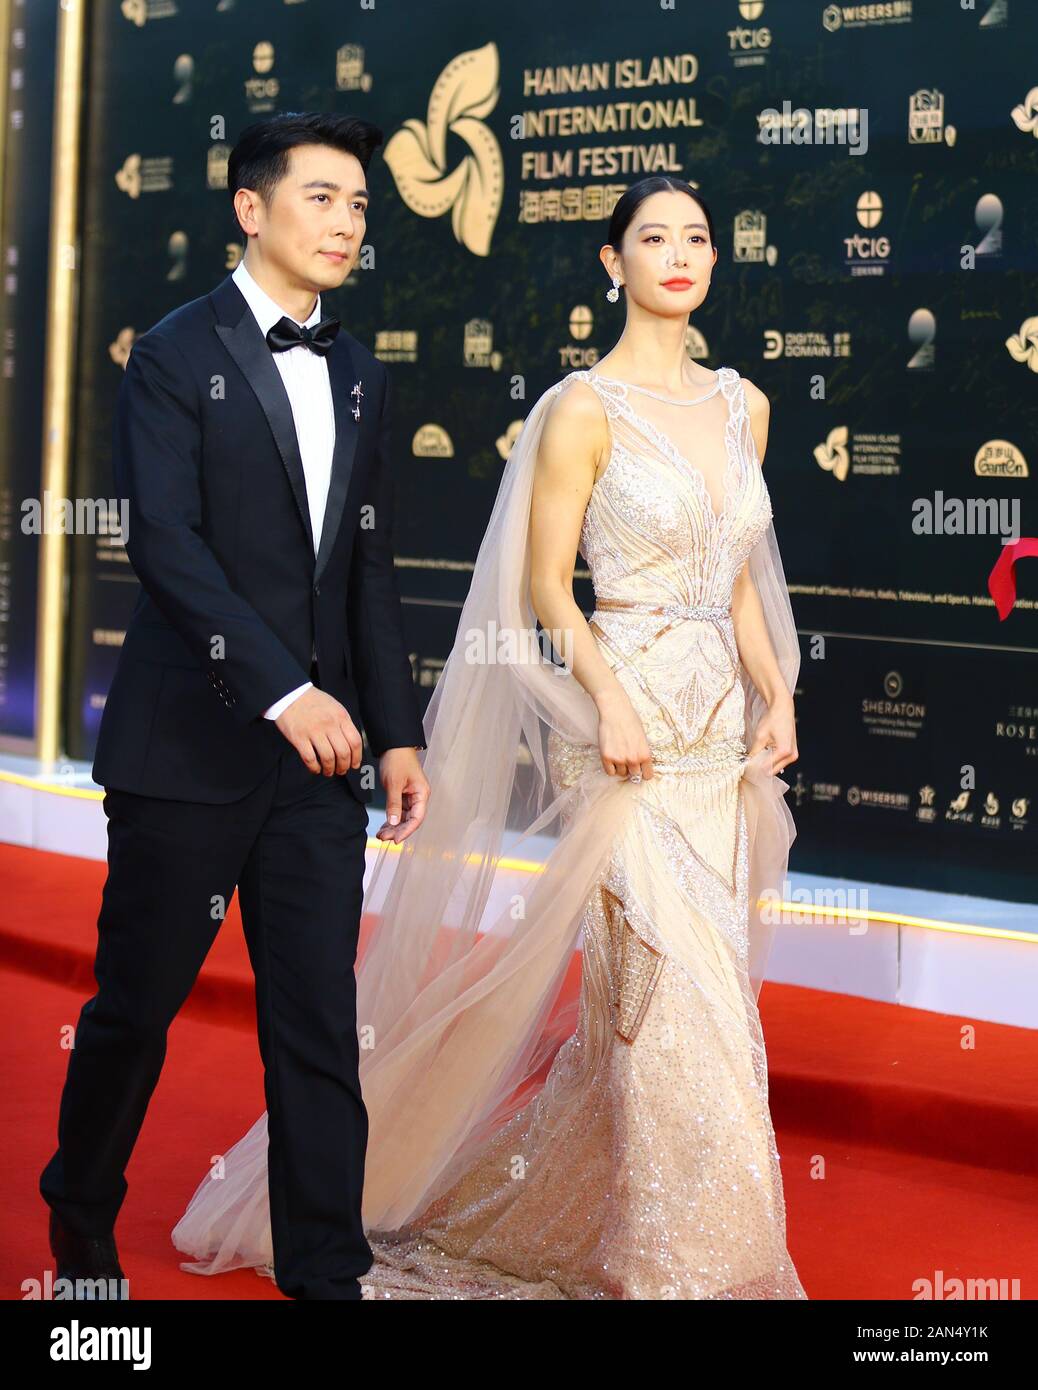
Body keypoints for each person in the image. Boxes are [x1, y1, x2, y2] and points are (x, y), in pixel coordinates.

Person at [173, 176, 807, 1299]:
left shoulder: (745, 407)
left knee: (691, 1007)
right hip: (623, 736)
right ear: (611, 264)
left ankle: (648, 1234)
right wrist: (605, 700)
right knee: (676, 1004)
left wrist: (780, 691)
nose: (679, 254)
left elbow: (744, 580)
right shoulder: (580, 408)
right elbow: (546, 589)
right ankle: (694, 1270)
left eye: (697, 238)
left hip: (719, 743)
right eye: (652, 238)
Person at [39, 111, 430, 1301]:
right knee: (135, 1009)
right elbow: (168, 546)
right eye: (323, 199)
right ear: (250, 209)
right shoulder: (168, 352)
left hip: (321, 767)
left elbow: (365, 566)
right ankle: (81, 1222)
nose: (348, 224)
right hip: (189, 748)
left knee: (316, 1025)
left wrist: (399, 728)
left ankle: (326, 1268)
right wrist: (285, 691)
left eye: (360, 205)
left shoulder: (357, 369)